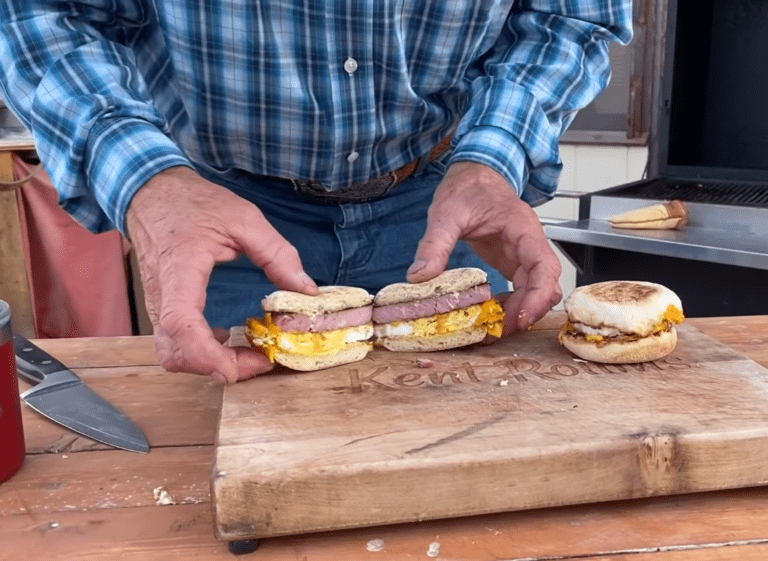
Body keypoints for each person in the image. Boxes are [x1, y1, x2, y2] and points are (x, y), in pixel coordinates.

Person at [0, 1, 632, 383]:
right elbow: (38, 18)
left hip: (448, 204)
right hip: (227, 221)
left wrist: (496, 156)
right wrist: (146, 178)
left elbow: (570, 17)